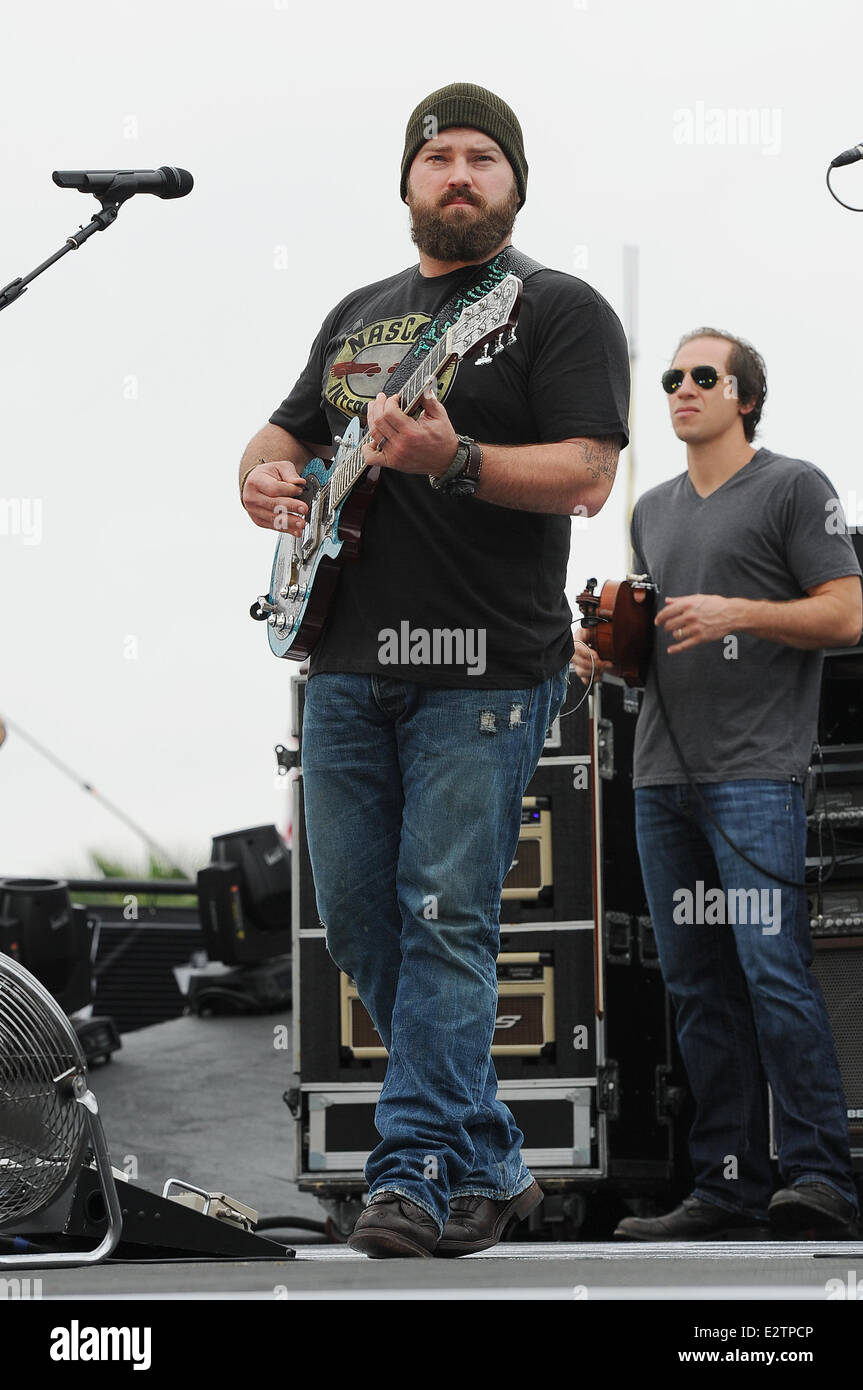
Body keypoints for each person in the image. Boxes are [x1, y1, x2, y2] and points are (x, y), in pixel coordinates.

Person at [240, 82, 629, 1257]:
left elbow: (583, 474)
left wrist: (455, 460)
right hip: (348, 665)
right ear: (406, 182)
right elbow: (288, 433)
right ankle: (498, 1160)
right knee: (361, 923)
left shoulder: (554, 309)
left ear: (513, 183)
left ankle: (405, 1171)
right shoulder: (359, 313)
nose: (458, 176)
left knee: (443, 919)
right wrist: (259, 475)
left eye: (481, 160)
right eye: (437, 159)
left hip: (484, 672)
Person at [573, 328, 862, 1239]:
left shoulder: (792, 485)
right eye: (670, 378)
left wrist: (741, 611)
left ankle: (818, 1179)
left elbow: (847, 615)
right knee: (694, 986)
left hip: (754, 775)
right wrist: (605, 652)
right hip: (662, 776)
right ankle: (727, 1184)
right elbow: (654, 654)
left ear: (744, 397)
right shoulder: (649, 509)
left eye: (704, 375)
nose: (681, 389)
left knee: (772, 972)